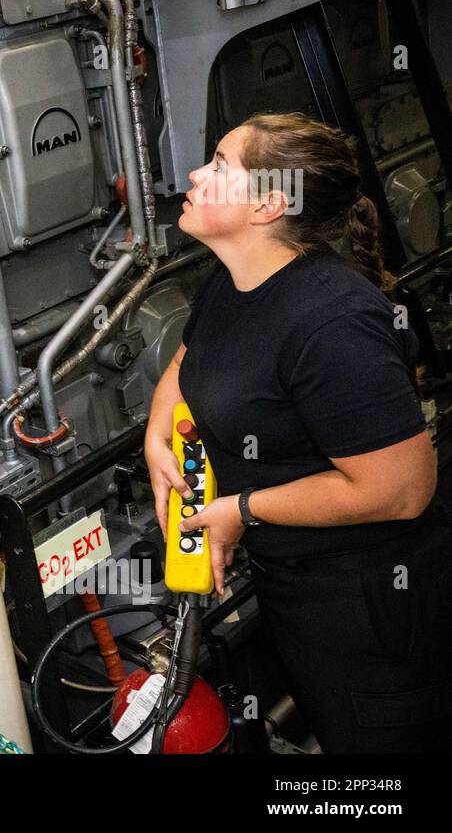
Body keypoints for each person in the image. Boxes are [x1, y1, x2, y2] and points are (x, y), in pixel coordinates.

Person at [145, 112, 452, 752]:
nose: (196, 175)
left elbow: (400, 490)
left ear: (270, 205)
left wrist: (242, 510)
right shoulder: (231, 286)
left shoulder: (333, 326)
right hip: (294, 588)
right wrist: (156, 438)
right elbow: (185, 364)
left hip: (371, 610)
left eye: (221, 165)